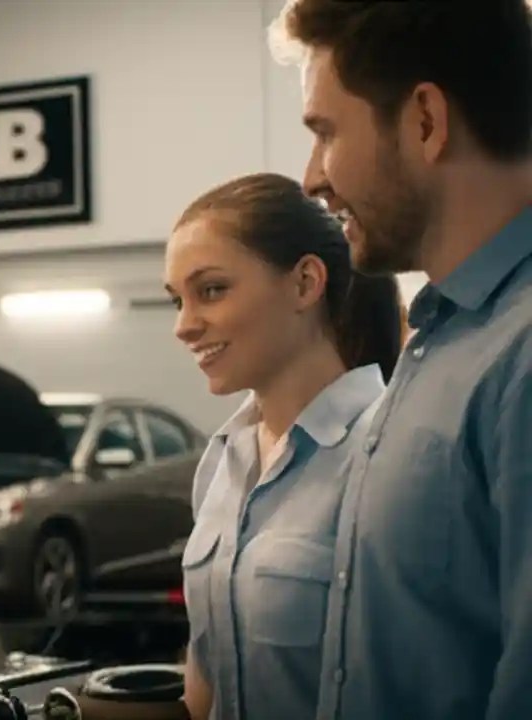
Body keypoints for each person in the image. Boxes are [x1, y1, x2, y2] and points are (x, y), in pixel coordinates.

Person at [268, 1, 532, 718]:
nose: (312, 177)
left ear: (425, 121)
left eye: (325, 133)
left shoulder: (519, 353)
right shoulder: (443, 338)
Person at [163, 172, 402, 720]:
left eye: (212, 290)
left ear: (303, 284)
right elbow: (206, 672)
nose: (183, 325)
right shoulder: (223, 460)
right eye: (177, 299)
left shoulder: (386, 450)